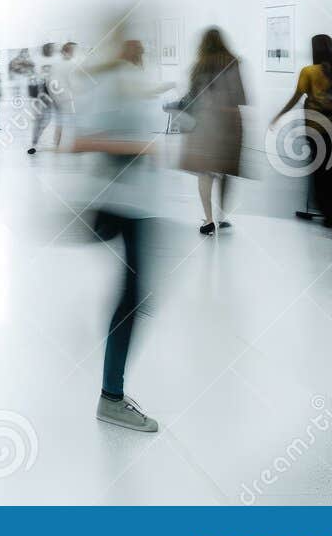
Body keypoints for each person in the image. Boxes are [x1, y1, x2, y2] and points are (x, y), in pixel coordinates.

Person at [68, 28, 171, 432]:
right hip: (123, 204)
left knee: (136, 297)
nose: (143, 42)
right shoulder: (108, 83)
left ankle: (112, 393)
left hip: (140, 204)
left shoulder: (129, 79)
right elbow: (81, 141)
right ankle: (111, 397)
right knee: (132, 298)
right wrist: (141, 147)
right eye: (135, 36)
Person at [173, 27, 245, 234]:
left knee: (205, 172)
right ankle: (223, 216)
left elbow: (192, 96)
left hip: (206, 122)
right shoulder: (234, 62)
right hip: (231, 121)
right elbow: (240, 95)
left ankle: (209, 220)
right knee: (226, 170)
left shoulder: (199, 66)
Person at [269, 34, 332, 219]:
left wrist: (279, 115)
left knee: (320, 171)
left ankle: (326, 211)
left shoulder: (309, 71)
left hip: (317, 128)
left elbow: (296, 97)